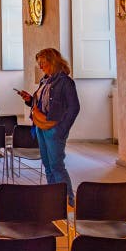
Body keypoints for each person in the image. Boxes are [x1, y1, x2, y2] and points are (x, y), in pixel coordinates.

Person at [17, 48, 80, 206]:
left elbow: (74, 107)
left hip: (54, 128)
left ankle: (67, 202)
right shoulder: (45, 80)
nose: (40, 66)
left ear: (52, 62)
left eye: (42, 63)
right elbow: (41, 104)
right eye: (39, 63)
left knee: (57, 165)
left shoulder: (65, 82)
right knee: (47, 164)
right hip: (40, 126)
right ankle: (53, 199)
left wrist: (61, 129)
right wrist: (29, 99)